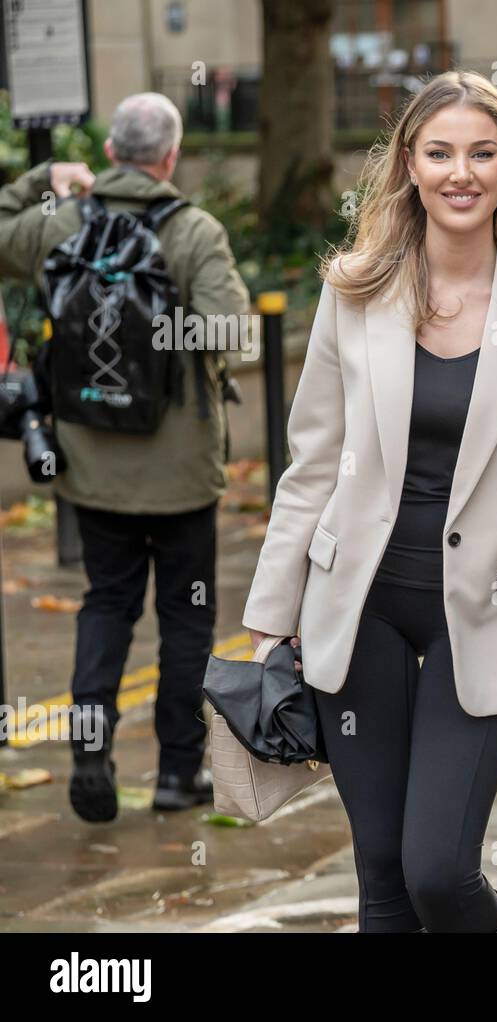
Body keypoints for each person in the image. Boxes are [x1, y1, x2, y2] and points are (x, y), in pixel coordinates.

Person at [242, 70, 497, 933]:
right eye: (439, 153)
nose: (460, 173)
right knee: (384, 879)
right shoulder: (354, 291)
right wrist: (268, 616)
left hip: (481, 617)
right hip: (357, 608)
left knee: (438, 871)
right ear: (409, 164)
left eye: (482, 153)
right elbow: (311, 465)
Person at [0, 93, 248, 822]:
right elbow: (229, 331)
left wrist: (46, 177)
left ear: (109, 153)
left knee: (104, 606)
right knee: (186, 621)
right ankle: (177, 773)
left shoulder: (62, 219)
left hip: (88, 464)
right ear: (169, 158)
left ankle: (89, 752)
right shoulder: (196, 231)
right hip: (179, 477)